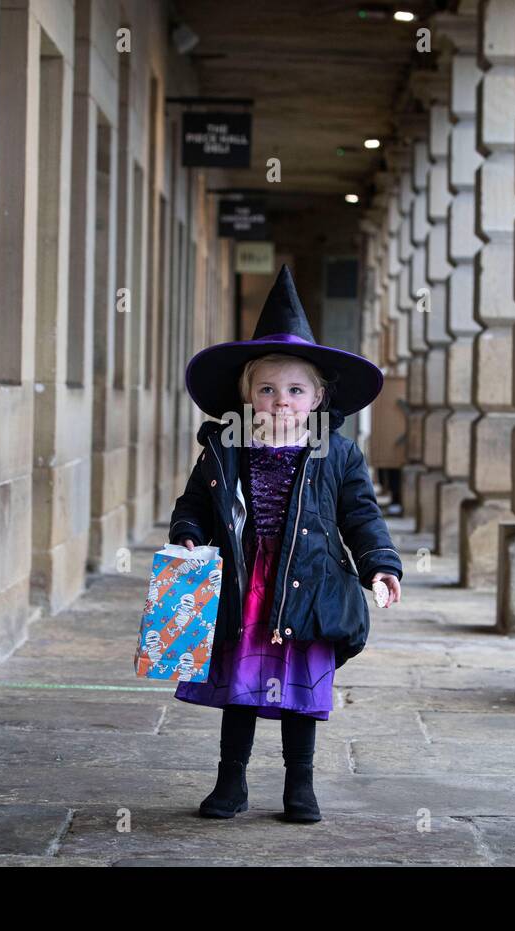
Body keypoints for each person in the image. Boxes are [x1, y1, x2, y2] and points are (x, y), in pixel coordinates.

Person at [167, 264, 403, 824]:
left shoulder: (337, 454)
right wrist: (188, 537)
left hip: (311, 585)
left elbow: (360, 515)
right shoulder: (224, 450)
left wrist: (379, 565)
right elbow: (195, 504)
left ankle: (301, 786)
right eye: (267, 389)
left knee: (302, 692)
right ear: (246, 394)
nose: (280, 401)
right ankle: (231, 782)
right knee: (241, 689)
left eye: (295, 390)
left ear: (318, 397)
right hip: (245, 581)